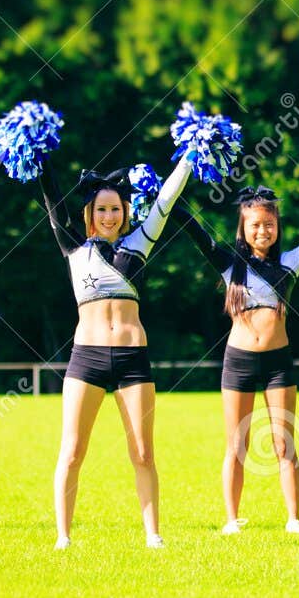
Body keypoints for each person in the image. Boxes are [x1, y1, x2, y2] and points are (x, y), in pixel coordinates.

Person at [176, 186, 299, 533]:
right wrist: (167, 202)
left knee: (284, 442)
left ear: (277, 227)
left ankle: (294, 518)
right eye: (255, 225)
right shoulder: (229, 264)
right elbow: (194, 229)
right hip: (238, 363)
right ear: (243, 229)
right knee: (236, 444)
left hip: (278, 363)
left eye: (269, 224)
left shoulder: (290, 263)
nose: (263, 231)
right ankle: (232, 520)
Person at [38, 158, 191, 549]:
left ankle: (153, 535)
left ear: (126, 212)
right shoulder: (73, 248)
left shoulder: (139, 244)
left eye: (116, 209)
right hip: (85, 358)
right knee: (72, 451)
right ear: (89, 213)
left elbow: (167, 200)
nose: (109, 216)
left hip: (132, 360)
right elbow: (52, 200)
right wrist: (40, 158)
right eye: (101, 209)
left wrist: (191, 155)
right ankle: (63, 537)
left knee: (142, 452)